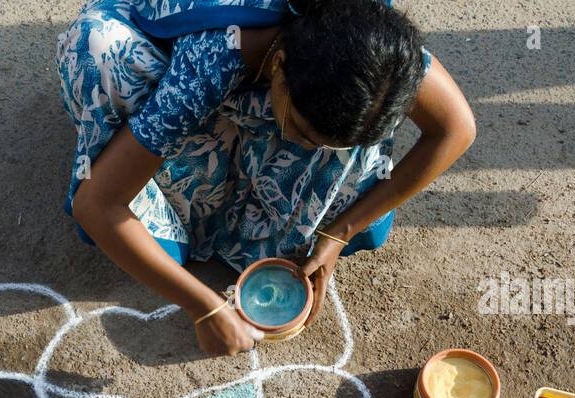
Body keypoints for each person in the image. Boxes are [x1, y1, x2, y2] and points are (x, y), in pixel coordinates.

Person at [57, 0, 476, 355]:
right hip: (158, 43)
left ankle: (276, 139)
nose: (309, 151)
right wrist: (203, 306)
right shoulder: (213, 57)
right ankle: (154, 153)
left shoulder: (375, 49)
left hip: (266, 80)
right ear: (278, 63)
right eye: (303, 133)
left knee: (337, 159)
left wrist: (340, 232)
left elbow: (456, 129)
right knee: (101, 50)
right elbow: (97, 205)